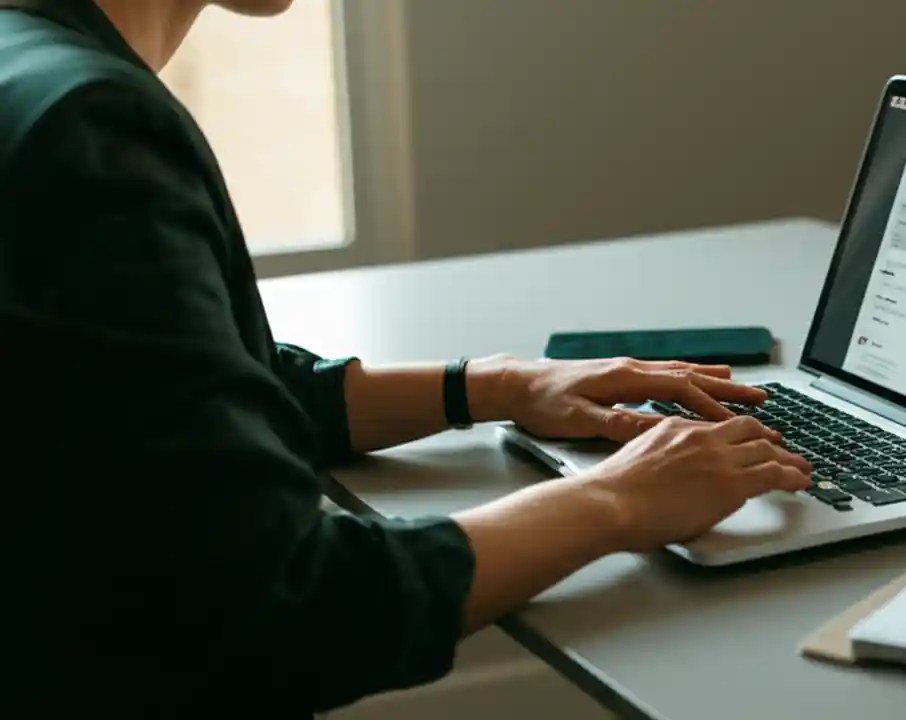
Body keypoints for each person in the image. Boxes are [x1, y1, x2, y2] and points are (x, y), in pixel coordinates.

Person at [0, 0, 812, 716]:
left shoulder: (26, 62)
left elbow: (196, 390)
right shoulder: (94, 131)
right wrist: (617, 501)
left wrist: (500, 385)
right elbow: (287, 606)